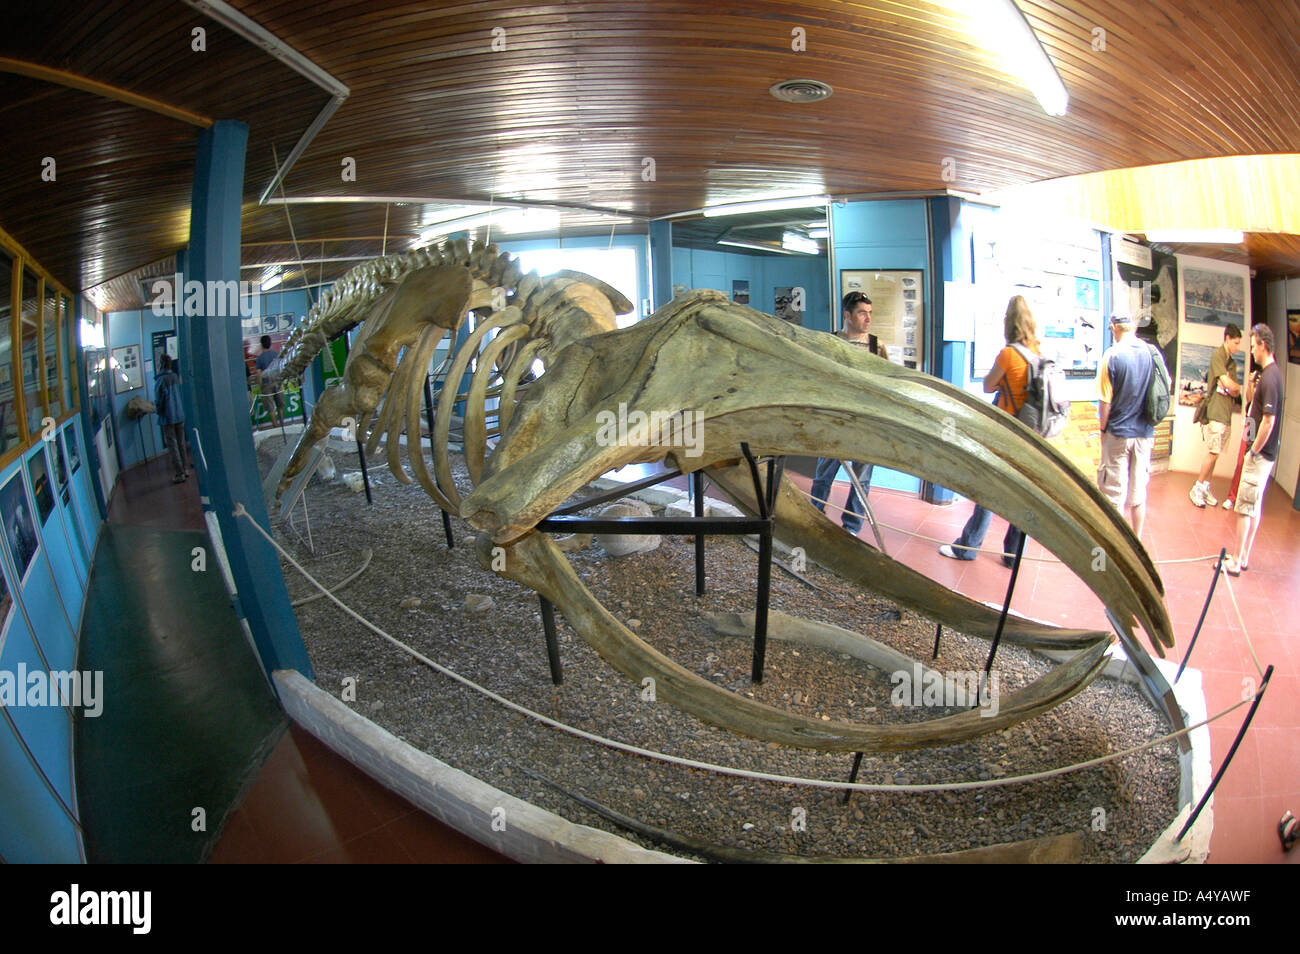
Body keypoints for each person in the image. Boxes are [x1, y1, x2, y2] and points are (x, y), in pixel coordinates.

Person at [938, 295, 1037, 567]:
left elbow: (988, 386)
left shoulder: (1009, 354)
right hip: (1030, 436)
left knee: (988, 491)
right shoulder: (1037, 351)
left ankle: (968, 546)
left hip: (1006, 432)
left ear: (1009, 323)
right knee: (1020, 494)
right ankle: (1013, 555)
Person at [810, 291, 889, 537]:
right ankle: (813, 518)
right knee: (824, 475)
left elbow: (887, 382)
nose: (868, 318)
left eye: (870, 313)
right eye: (862, 313)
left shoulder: (877, 346)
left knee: (861, 480)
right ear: (847, 315)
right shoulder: (829, 343)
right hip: (835, 423)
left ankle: (852, 528)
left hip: (866, 424)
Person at [1096, 313, 1164, 537]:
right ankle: (1137, 542)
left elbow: (1105, 401)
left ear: (1114, 328)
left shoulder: (1112, 356)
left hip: (1118, 434)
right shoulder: (1150, 353)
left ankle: (1115, 546)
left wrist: (1103, 430)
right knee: (1138, 496)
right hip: (1144, 434)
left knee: (1114, 496)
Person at [1225, 324, 1284, 576]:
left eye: (1252, 346)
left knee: (1244, 506)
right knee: (1253, 506)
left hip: (1259, 456)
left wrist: (1253, 451)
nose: (1251, 351)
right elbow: (1254, 410)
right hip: (1262, 454)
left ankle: (1236, 560)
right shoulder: (1269, 375)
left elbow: (1268, 421)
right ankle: (1243, 556)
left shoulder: (1271, 377)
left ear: (1262, 345)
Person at [1190, 323, 1242, 507]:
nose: (1237, 347)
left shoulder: (1232, 363)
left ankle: (1205, 487)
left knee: (1216, 453)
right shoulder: (1218, 355)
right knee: (1213, 452)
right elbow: (1226, 382)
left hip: (1226, 413)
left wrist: (1233, 387)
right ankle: (1196, 488)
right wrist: (1232, 386)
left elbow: (1235, 390)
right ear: (1227, 339)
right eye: (1235, 342)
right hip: (1216, 411)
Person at [154, 354, 188, 483]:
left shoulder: (160, 380)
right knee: (181, 443)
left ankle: (179, 473)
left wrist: (158, 410)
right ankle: (185, 469)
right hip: (179, 414)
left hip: (168, 417)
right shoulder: (174, 377)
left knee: (172, 445)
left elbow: (159, 401)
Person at [255, 334, 284, 428]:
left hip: (266, 384)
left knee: (270, 408)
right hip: (277, 381)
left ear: (261, 344)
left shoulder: (259, 359)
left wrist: (260, 387)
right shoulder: (276, 354)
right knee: (280, 405)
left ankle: (276, 427)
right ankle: (282, 425)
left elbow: (259, 375)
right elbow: (280, 368)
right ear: (270, 344)